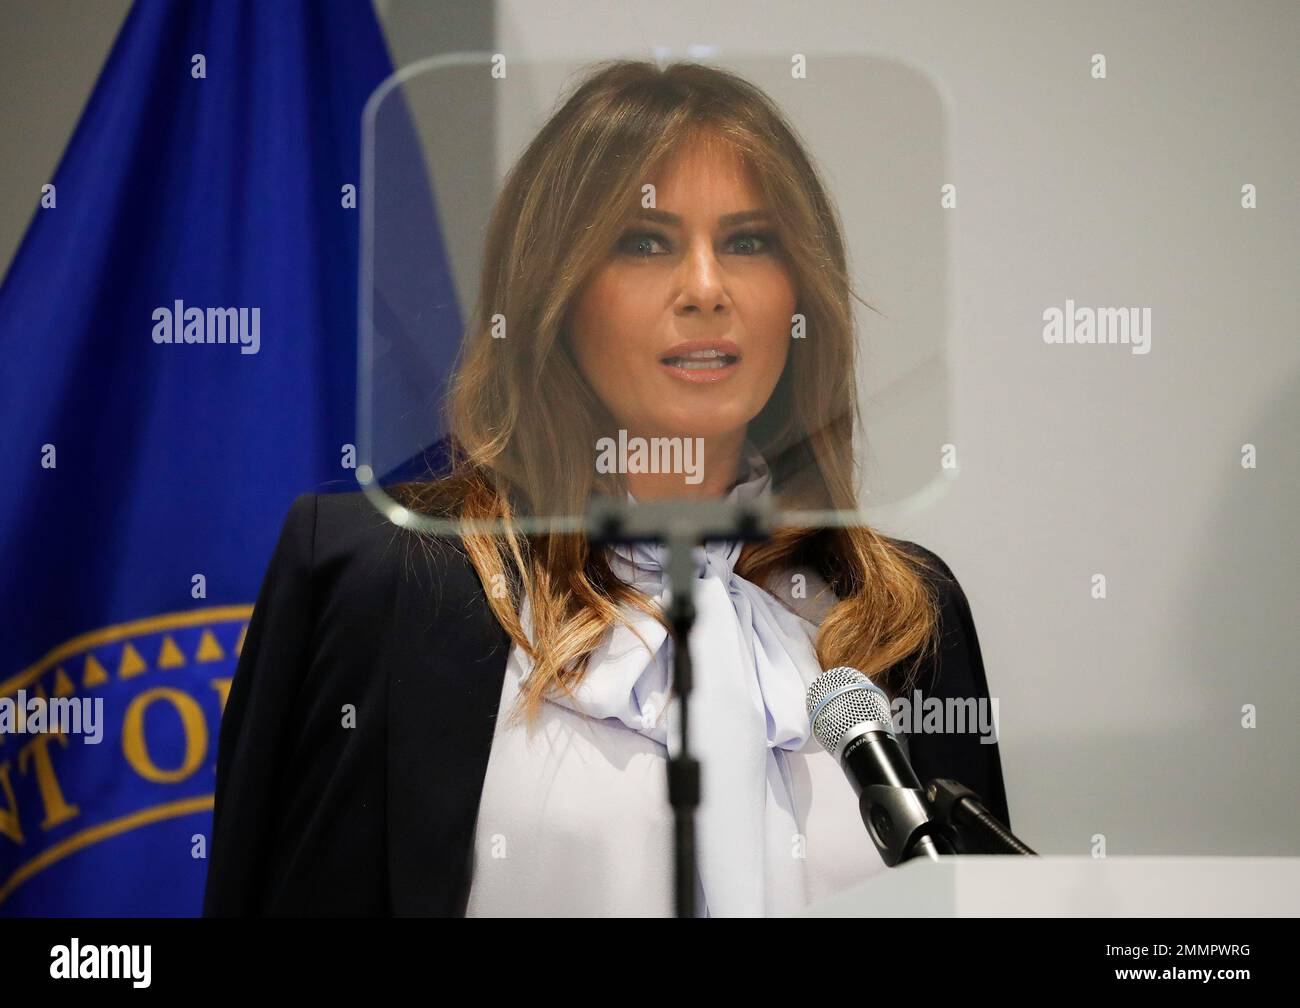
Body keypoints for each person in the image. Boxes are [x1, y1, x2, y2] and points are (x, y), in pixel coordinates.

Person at [203, 58, 1009, 918]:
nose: (707, 290)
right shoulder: (380, 578)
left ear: (799, 293)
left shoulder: (904, 609)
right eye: (645, 243)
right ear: (556, 292)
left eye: (748, 242)